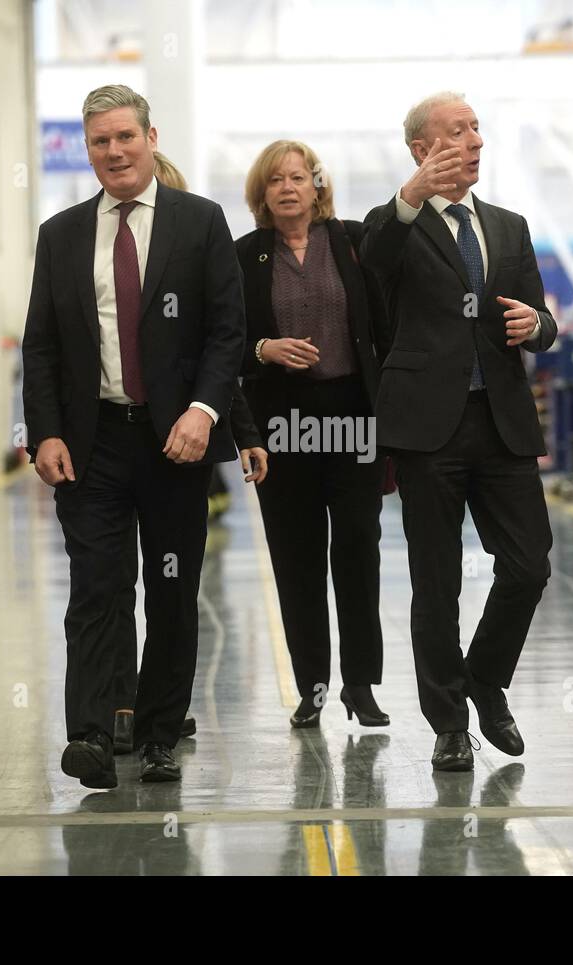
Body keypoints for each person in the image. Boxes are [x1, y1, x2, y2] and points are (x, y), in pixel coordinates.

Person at [21, 85, 244, 787]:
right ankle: (89, 732)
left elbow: (226, 332)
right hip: (93, 443)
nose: (113, 152)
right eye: (99, 142)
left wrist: (204, 412)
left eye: (124, 137)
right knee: (96, 587)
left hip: (175, 441)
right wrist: (45, 432)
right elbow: (42, 346)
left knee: (172, 589)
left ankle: (156, 735)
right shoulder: (61, 235)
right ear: (85, 150)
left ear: (150, 137)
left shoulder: (200, 222)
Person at [362, 92, 558, 772]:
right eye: (457, 130)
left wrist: (537, 326)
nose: (474, 138)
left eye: (477, 127)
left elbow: (545, 317)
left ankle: (485, 676)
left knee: (530, 563)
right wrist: (409, 196)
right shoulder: (396, 225)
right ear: (423, 149)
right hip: (428, 428)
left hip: (502, 422)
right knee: (436, 581)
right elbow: (370, 267)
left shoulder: (509, 225)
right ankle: (449, 722)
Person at [109, 150, 269, 755]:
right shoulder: (109, 257)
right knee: (113, 580)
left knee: (170, 583)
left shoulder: (197, 244)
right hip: (113, 442)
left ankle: (158, 706)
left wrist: (245, 433)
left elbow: (221, 359)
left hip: (180, 441)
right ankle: (122, 704)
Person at [238, 139, 388, 730]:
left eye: (298, 177)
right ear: (262, 194)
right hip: (283, 423)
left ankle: (362, 684)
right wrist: (262, 348)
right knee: (296, 557)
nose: (288, 188)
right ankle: (314, 687)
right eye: (275, 180)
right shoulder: (245, 255)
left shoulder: (352, 241)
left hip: (352, 415)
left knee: (358, 548)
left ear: (317, 186)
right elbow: (226, 337)